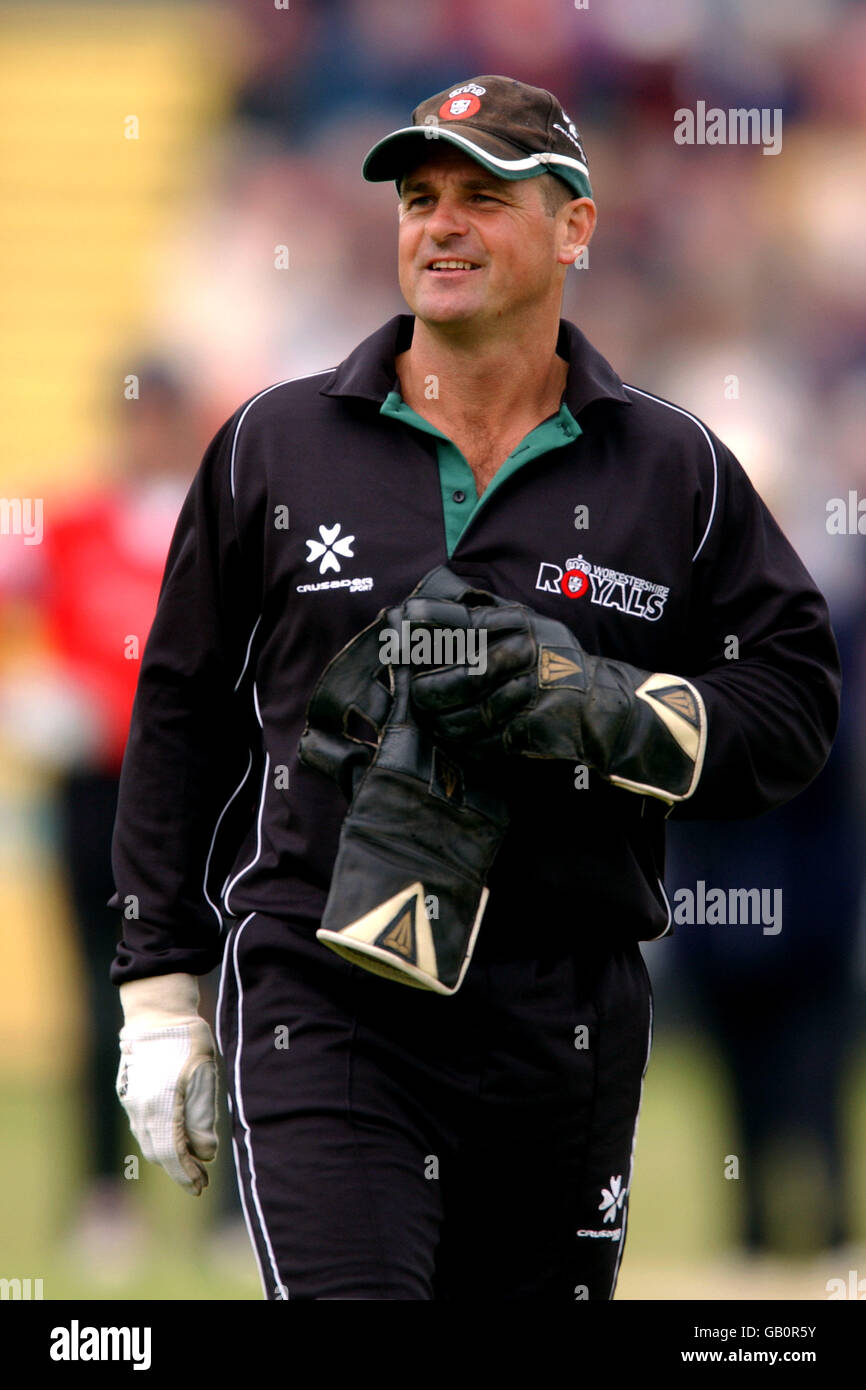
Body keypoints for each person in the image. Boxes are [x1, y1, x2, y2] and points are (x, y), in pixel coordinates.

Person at [109, 75, 841, 1301]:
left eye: (480, 197)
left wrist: (620, 715)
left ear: (574, 229)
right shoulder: (270, 445)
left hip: (564, 1012)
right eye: (417, 197)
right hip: (322, 995)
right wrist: (159, 994)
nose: (436, 224)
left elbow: (796, 704)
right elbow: (179, 715)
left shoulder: (675, 468)